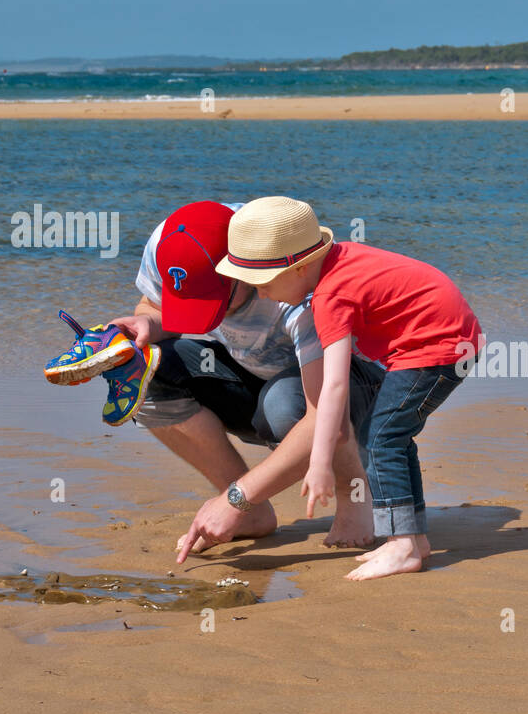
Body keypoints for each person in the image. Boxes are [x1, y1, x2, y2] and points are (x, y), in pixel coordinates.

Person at [214, 196, 481, 580]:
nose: (261, 295)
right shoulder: (339, 260)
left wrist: (321, 462)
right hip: (447, 338)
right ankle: (413, 539)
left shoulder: (329, 298)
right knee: (392, 436)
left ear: (298, 266)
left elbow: (335, 386)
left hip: (437, 346)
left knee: (382, 437)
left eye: (264, 283)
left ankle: (403, 544)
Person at [103, 200, 383, 556]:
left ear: (242, 269)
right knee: (141, 368)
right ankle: (252, 514)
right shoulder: (171, 243)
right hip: (254, 373)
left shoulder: (297, 285)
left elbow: (326, 415)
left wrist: (235, 500)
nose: (208, 316)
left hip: (351, 387)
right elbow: (154, 308)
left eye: (215, 300)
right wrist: (148, 325)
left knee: (283, 407)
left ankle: (354, 495)